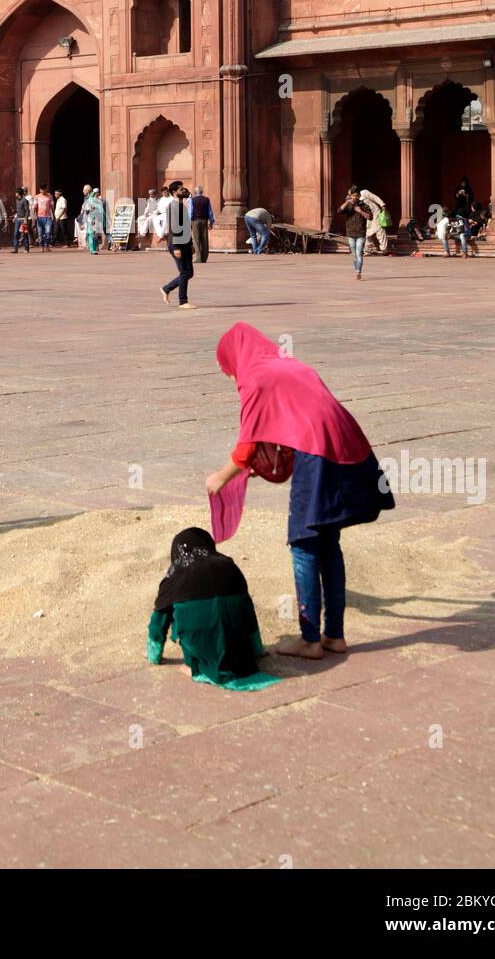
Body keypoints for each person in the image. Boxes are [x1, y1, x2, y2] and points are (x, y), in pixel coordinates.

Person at [206, 322, 394, 658]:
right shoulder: (291, 365)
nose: (232, 378)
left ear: (235, 359)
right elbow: (295, 419)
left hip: (318, 451)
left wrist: (220, 478)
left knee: (304, 543)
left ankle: (309, 640)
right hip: (346, 444)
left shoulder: (255, 378)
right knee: (328, 541)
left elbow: (247, 447)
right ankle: (334, 636)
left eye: (228, 372)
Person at [147, 528, 280, 691]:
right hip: (240, 652)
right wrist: (257, 650)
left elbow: (158, 621)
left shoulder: (176, 574)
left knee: (179, 612)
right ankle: (237, 660)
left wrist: (154, 656)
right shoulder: (228, 564)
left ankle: (195, 668)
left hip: (200, 644)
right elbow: (248, 614)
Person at [159, 187, 195, 309]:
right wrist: (175, 247)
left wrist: (191, 244)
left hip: (185, 243)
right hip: (177, 244)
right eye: (181, 189)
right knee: (185, 272)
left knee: (189, 273)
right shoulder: (173, 206)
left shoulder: (181, 205)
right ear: (174, 192)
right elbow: (174, 227)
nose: (184, 191)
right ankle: (183, 301)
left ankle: (166, 289)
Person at [338, 187, 371, 280]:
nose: (355, 197)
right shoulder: (349, 205)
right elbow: (339, 211)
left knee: (359, 253)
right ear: (350, 196)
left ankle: (358, 272)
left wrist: (360, 211)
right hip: (350, 233)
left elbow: (370, 217)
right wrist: (347, 202)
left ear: (359, 196)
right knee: (354, 255)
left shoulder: (364, 205)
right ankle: (356, 269)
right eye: (353, 195)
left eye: (357, 195)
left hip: (361, 233)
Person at [189, 185, 215, 264]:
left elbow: (190, 212)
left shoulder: (192, 200)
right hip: (204, 220)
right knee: (204, 239)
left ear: (195, 192)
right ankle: (204, 257)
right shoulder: (206, 199)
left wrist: (189, 222)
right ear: (202, 192)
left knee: (196, 240)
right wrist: (211, 222)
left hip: (195, 220)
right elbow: (210, 211)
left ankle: (199, 258)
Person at [361, 188, 389, 255]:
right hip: (368, 216)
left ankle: (384, 249)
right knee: (369, 232)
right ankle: (368, 250)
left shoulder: (364, 193)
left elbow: (375, 198)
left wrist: (382, 204)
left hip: (375, 213)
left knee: (380, 230)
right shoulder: (353, 199)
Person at [33, 184, 55, 251]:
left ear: (46, 189)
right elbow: (34, 207)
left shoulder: (50, 196)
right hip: (39, 217)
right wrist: (35, 216)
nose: (42, 191)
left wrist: (54, 216)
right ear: (40, 190)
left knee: (48, 232)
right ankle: (42, 246)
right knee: (40, 233)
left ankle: (47, 245)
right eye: (41, 189)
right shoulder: (37, 197)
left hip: (48, 217)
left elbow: (52, 207)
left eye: (44, 189)